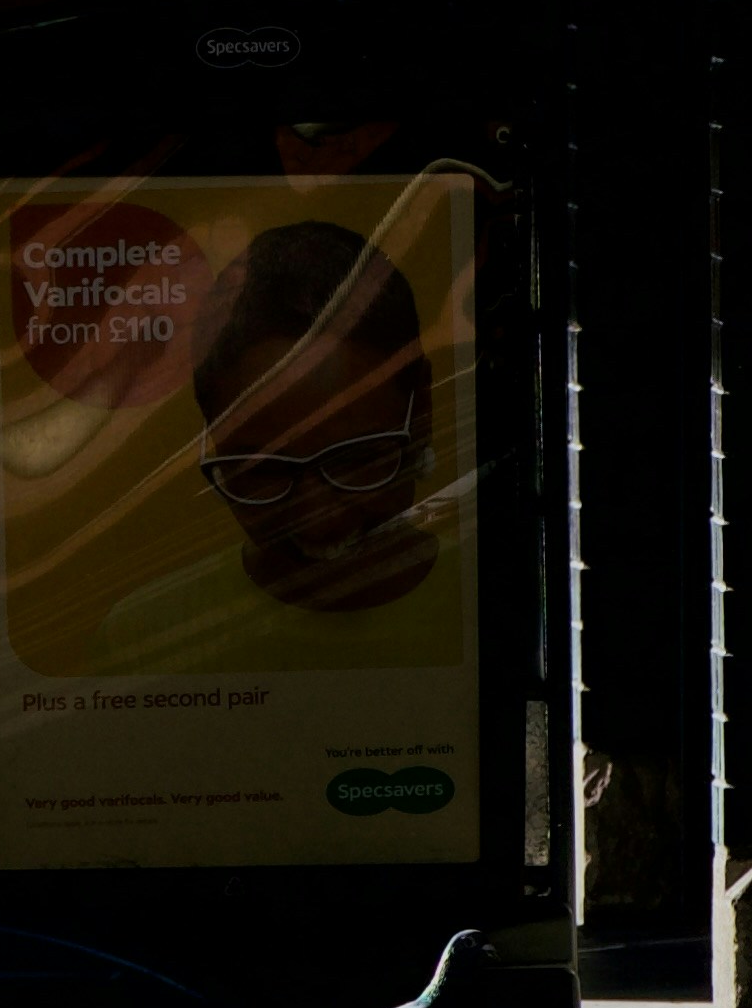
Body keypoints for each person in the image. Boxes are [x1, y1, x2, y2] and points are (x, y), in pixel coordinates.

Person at [63, 216, 461, 674]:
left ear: (423, 411)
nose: (320, 517)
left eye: (356, 459)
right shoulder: (144, 637)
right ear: (213, 439)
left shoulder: (496, 607)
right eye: (265, 470)